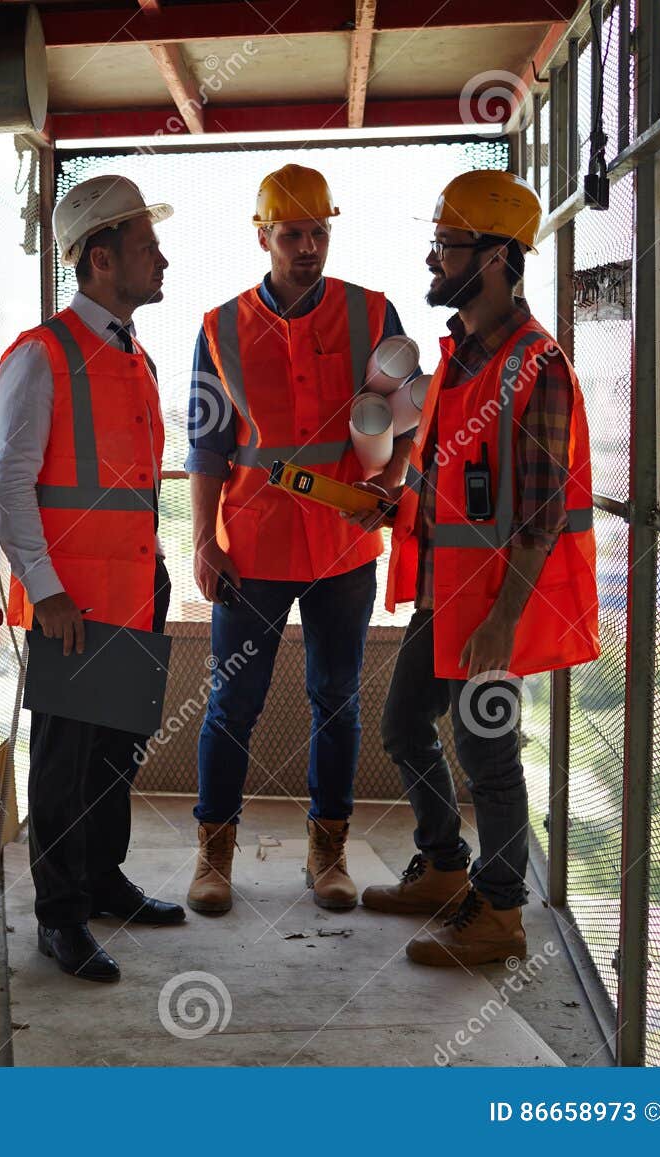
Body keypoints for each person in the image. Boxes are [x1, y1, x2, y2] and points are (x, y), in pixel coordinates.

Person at [350, 169, 600, 966]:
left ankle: (500, 913)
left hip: (492, 607)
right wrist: (392, 503)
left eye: (445, 247)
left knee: (489, 754)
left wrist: (504, 619)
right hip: (444, 599)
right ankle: (446, 868)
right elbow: (453, 480)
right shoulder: (461, 358)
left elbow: (539, 511)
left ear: (496, 259)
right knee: (401, 724)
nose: (431, 262)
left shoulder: (538, 365)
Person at [185, 164, 419, 915]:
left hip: (341, 544)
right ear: (263, 236)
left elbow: (408, 414)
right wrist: (202, 540)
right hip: (251, 545)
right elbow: (207, 447)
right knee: (232, 704)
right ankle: (213, 857)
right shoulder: (219, 326)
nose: (309, 246)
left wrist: (393, 481)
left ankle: (329, 854)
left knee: (337, 701)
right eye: (293, 234)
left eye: (320, 232)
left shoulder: (372, 313)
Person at [0, 175, 183, 983]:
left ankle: (102, 880)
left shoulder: (131, 354)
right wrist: (50, 589)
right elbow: (6, 486)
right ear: (100, 260)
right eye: (147, 248)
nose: (161, 259)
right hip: (74, 605)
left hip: (135, 590)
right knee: (66, 767)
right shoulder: (45, 355)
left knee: (115, 755)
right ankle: (59, 918)